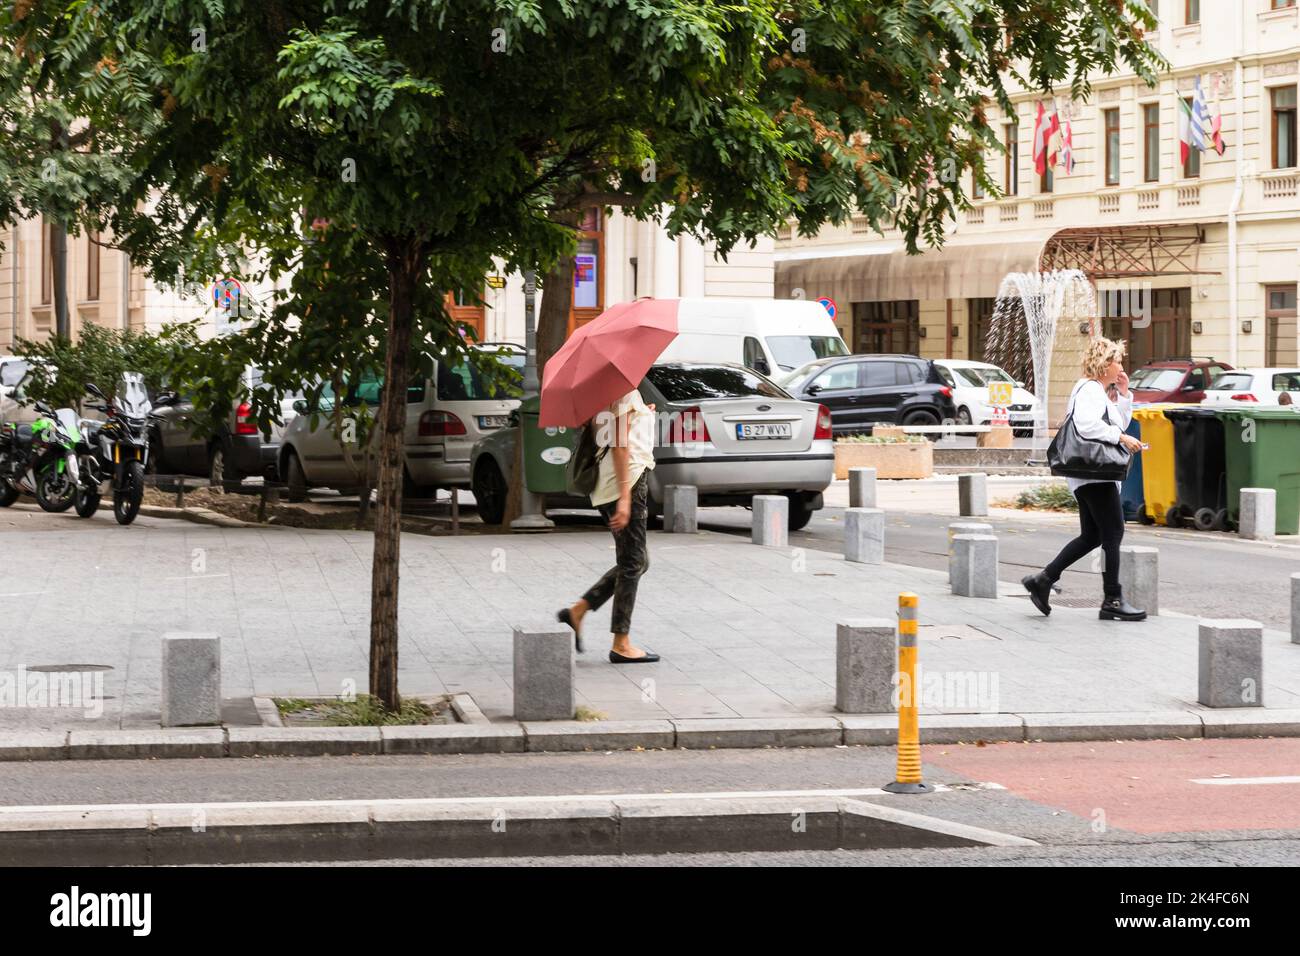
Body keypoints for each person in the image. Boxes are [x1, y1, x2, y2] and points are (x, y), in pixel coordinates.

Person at [1023, 337, 1147, 622]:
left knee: (1093, 535)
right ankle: (1112, 599)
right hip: (1095, 475)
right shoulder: (1090, 389)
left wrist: (1125, 395)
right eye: (1117, 361)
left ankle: (1044, 579)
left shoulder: (1099, 391)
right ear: (1105, 365)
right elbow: (1088, 425)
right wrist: (1121, 438)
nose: (1121, 367)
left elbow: (1118, 423)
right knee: (1113, 533)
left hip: (1089, 475)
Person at [557, 388, 661, 663]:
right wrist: (626, 499)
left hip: (608, 485)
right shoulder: (623, 392)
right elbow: (620, 444)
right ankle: (621, 643)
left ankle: (579, 610)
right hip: (625, 483)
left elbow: (612, 432)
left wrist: (642, 415)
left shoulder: (599, 395)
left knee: (637, 561)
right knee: (632, 563)